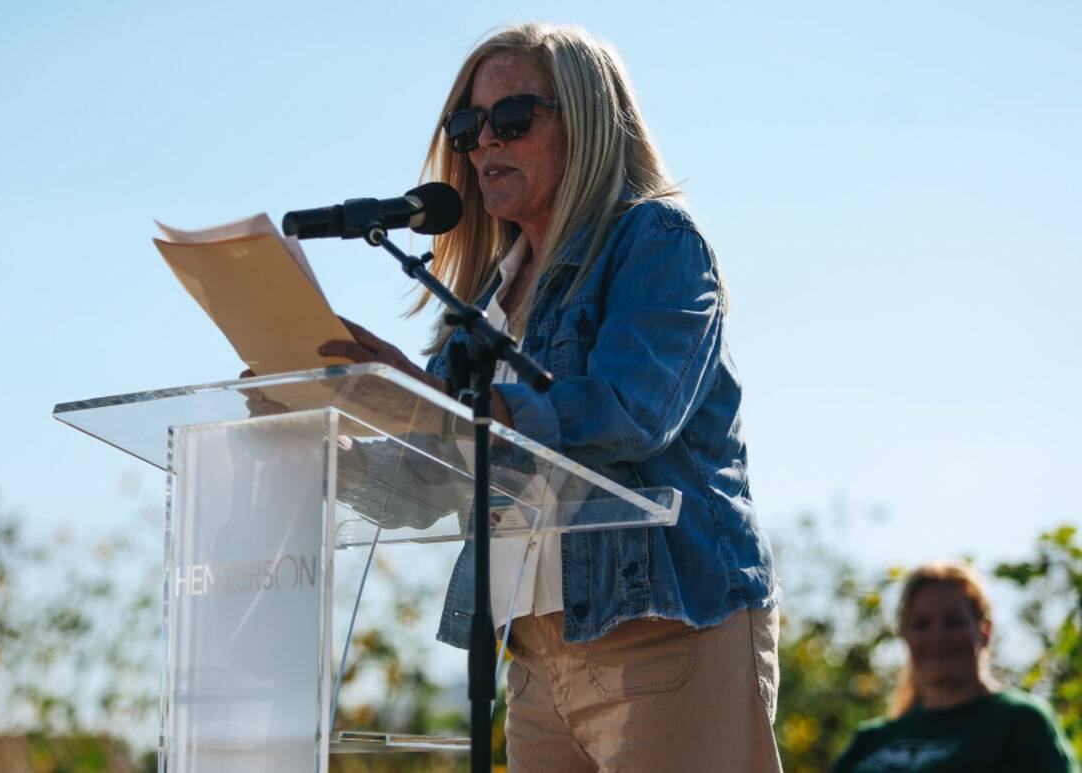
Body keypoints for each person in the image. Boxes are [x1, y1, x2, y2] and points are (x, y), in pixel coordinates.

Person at [318, 22, 780, 771]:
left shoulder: (655, 240)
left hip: (664, 630)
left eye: (511, 120)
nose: (483, 145)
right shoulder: (488, 299)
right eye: (467, 127)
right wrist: (322, 439)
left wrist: (433, 397)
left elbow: (630, 413)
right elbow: (437, 477)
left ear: (588, 121)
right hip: (533, 653)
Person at [832, 561, 1078, 772]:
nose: (938, 637)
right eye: (921, 624)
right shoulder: (872, 740)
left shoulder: (1018, 722)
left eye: (953, 622)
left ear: (984, 631)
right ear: (904, 634)